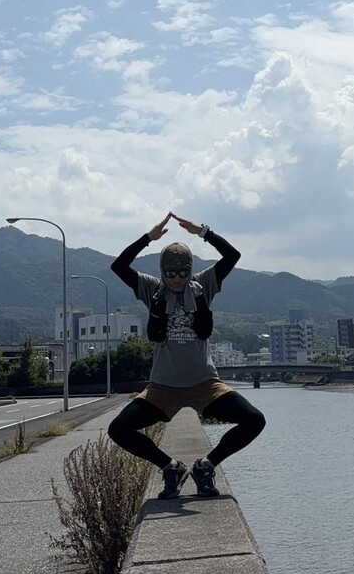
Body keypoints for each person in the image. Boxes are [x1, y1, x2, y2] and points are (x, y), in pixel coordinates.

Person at [107, 211, 265, 499]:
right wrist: (148, 238)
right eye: (170, 273)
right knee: (118, 429)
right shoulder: (151, 288)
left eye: (183, 273)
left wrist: (203, 232)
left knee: (254, 420)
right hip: (163, 387)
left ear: (191, 270)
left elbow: (232, 256)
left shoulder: (203, 285)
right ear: (162, 272)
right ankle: (171, 467)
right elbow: (118, 266)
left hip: (206, 384)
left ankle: (206, 466)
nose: (177, 279)